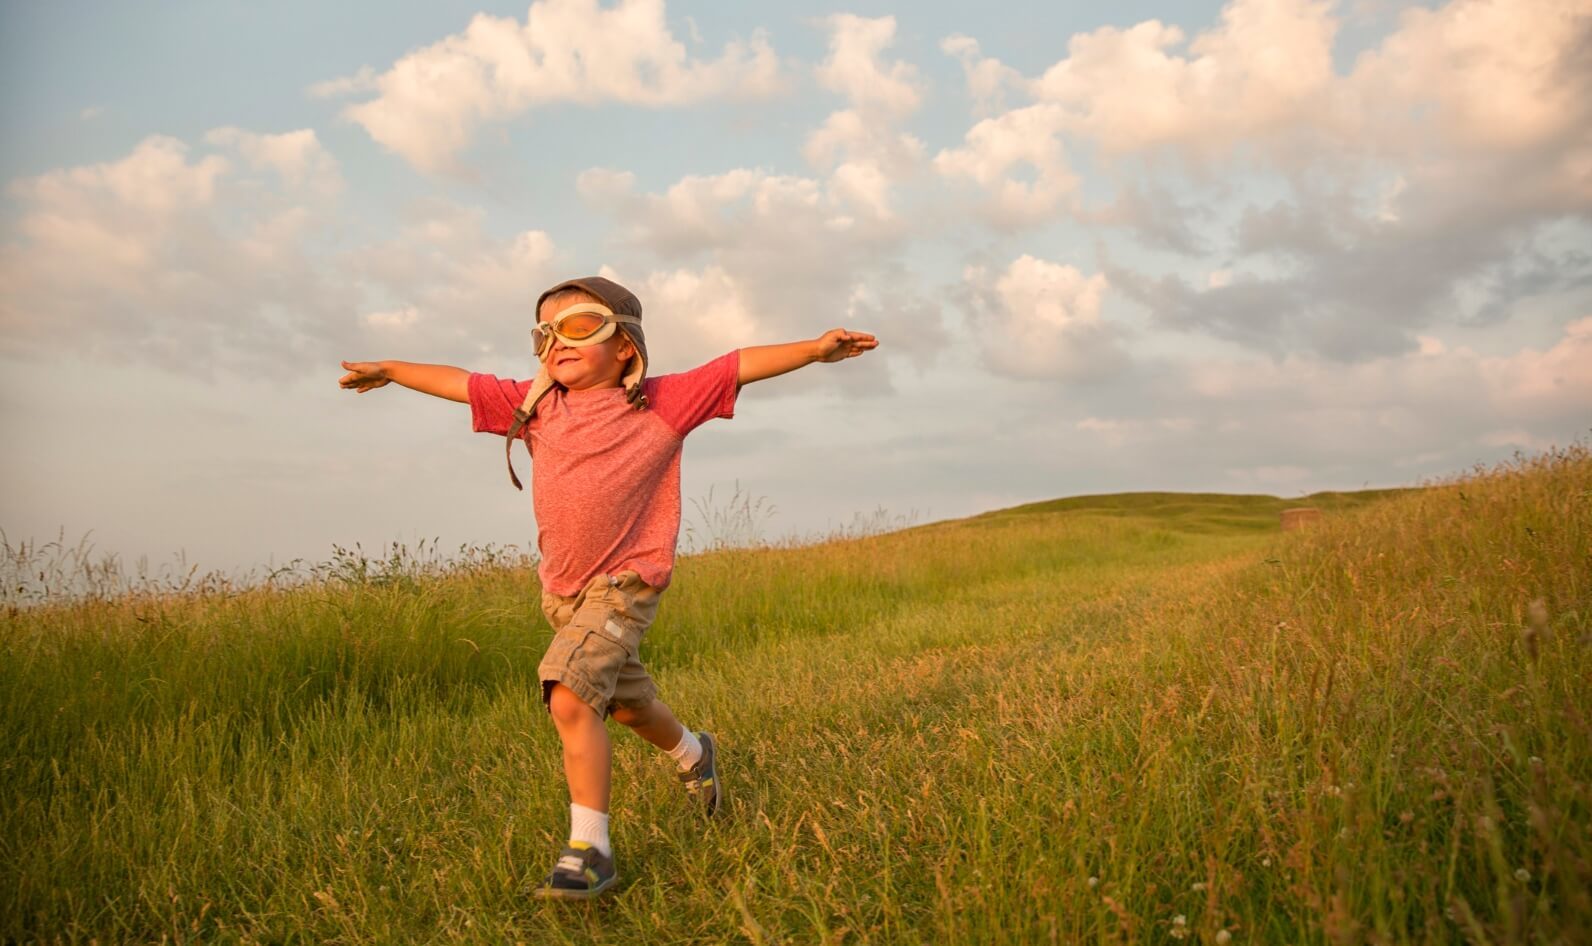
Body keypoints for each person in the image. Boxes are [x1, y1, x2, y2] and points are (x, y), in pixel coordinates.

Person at [338, 275, 878, 899]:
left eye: (577, 326)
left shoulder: (662, 401)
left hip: (626, 584)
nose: (557, 342)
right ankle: (694, 755)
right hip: (563, 594)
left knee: (570, 694)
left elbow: (735, 365)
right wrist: (391, 370)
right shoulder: (534, 404)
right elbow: (459, 381)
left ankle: (589, 852)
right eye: (544, 333)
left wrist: (814, 350)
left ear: (625, 345)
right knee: (625, 705)